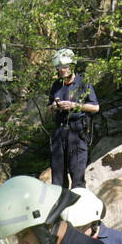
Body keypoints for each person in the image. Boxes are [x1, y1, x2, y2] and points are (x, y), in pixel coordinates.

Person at [47, 48, 99, 190]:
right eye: (59, 68)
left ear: (72, 66)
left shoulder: (83, 83)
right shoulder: (57, 85)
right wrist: (55, 106)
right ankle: (60, 207)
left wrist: (75, 105)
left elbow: (95, 107)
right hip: (59, 134)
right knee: (57, 179)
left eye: (65, 67)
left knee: (77, 177)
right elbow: (49, 107)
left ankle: (79, 207)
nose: (62, 70)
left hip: (77, 132)